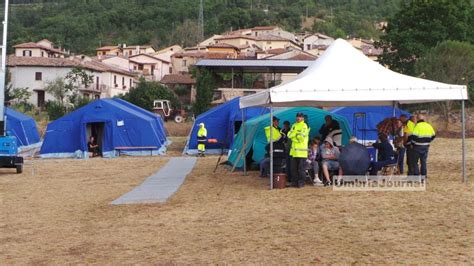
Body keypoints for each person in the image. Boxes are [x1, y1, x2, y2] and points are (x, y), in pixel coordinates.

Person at [408, 114, 436, 178]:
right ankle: (424, 175)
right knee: (423, 162)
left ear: (417, 119)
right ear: (423, 119)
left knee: (415, 162)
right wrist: (428, 141)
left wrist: (413, 143)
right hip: (426, 146)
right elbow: (433, 135)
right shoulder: (429, 125)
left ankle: (417, 175)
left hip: (417, 147)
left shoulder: (417, 126)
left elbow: (414, 137)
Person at [288, 112, 309, 188]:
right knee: (293, 169)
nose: (298, 118)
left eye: (300, 117)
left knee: (301, 169)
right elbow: (289, 135)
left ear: (303, 118)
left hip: (302, 152)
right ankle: (295, 182)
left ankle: (301, 183)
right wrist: (296, 135)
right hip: (294, 152)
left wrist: (294, 136)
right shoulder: (293, 125)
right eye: (297, 116)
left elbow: (301, 137)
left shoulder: (304, 126)